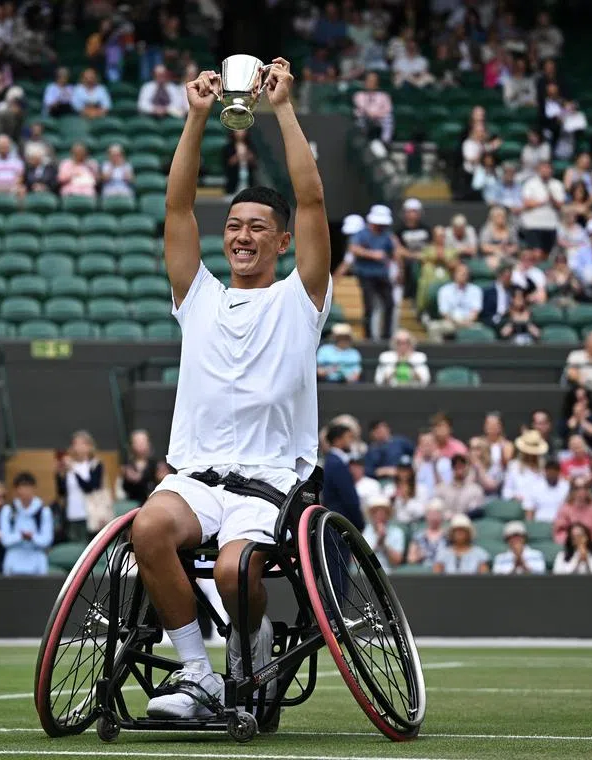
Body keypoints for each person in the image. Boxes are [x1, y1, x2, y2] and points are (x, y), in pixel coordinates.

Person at [130, 59, 332, 720]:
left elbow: (311, 202)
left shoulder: (300, 298)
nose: (240, 236)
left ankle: (253, 644)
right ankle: (197, 674)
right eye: (233, 227)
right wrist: (194, 117)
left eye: (255, 228)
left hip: (273, 478)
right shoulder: (198, 296)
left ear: (278, 242)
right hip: (198, 473)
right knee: (150, 526)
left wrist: (282, 110)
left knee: (232, 571)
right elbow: (178, 205)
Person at [348, 203, 402, 341]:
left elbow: (395, 252)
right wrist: (373, 254)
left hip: (382, 275)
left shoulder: (387, 235)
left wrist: (398, 269)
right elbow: (354, 249)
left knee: (390, 304)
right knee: (369, 306)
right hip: (366, 275)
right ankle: (368, 336)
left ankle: (386, 335)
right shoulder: (362, 234)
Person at [55, 430, 107, 542]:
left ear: (89, 446)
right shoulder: (69, 466)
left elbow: (90, 487)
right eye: (74, 444)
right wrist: (59, 475)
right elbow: (62, 492)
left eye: (80, 443)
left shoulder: (95, 465)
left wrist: (74, 470)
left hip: (89, 516)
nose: (76, 447)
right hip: (71, 515)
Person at [0, 471, 54, 576]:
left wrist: (32, 537)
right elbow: (5, 539)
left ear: (34, 488)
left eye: (28, 487)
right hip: (13, 560)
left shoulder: (44, 511)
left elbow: (47, 540)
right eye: (22, 487)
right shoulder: (7, 510)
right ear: (16, 489)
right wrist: (20, 536)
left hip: (37, 560)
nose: (25, 491)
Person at [321, 424, 363, 529]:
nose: (351, 441)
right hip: (342, 522)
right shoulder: (336, 464)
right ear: (337, 440)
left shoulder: (333, 461)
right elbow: (348, 496)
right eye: (348, 437)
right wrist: (359, 523)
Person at [429, 263, 482, 341]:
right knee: (433, 327)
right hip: (451, 322)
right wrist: (456, 322)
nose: (463, 275)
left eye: (466, 273)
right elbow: (444, 312)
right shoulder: (444, 290)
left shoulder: (475, 290)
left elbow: (475, 311)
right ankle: (438, 353)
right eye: (460, 272)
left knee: (482, 330)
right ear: (454, 274)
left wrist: (467, 322)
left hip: (469, 322)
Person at [502, 430, 549, 509]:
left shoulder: (544, 467)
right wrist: (515, 496)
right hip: (518, 507)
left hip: (540, 507)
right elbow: (506, 491)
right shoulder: (513, 466)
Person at [434, 454, 485, 518]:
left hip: (466, 524)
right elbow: (436, 508)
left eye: (461, 466)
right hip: (445, 522)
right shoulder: (442, 488)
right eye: (456, 467)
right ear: (452, 468)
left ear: (466, 468)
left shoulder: (475, 489)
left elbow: (476, 511)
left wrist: (458, 516)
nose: (459, 470)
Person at [361, 494, 404, 570]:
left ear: (388, 514)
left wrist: (384, 544)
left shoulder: (397, 532)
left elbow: (397, 561)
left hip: (390, 575)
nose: (379, 514)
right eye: (375, 512)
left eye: (383, 512)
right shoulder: (366, 531)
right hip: (368, 574)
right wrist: (378, 543)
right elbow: (359, 559)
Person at [405, 500, 447, 566]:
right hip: (422, 572)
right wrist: (419, 556)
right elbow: (410, 559)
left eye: (437, 514)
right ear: (427, 516)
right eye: (431, 514)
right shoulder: (418, 535)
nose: (434, 517)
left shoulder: (448, 536)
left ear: (442, 516)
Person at [120, 429, 156, 504]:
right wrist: (128, 479)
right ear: (132, 444)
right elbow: (125, 489)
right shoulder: (128, 465)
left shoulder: (156, 464)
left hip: (153, 502)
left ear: (148, 443)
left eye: (143, 441)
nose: (140, 444)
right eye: (137, 442)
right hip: (134, 504)